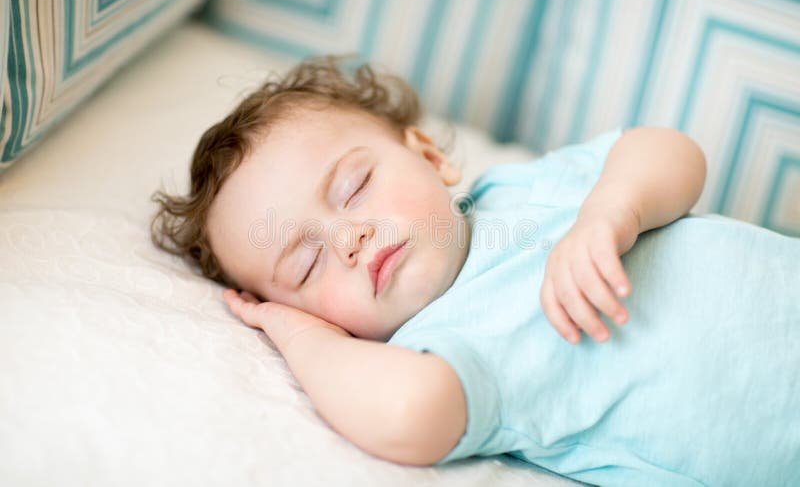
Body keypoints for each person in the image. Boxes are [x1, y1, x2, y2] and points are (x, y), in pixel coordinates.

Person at [150, 55, 800, 486]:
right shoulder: (450, 346)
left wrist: (612, 211)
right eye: (307, 262)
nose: (348, 239)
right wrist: (297, 338)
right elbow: (408, 414)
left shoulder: (527, 190)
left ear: (430, 155)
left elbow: (670, 152)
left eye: (354, 188)